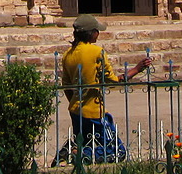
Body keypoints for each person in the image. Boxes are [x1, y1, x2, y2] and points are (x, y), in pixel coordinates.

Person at [62, 15, 151, 159]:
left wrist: (77, 101)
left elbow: (66, 86)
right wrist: (136, 69)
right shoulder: (97, 52)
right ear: (92, 33)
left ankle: (78, 152)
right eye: (97, 31)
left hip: (76, 111)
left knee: (86, 143)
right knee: (117, 151)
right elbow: (112, 80)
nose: (98, 33)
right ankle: (75, 153)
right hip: (95, 111)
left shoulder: (67, 55)